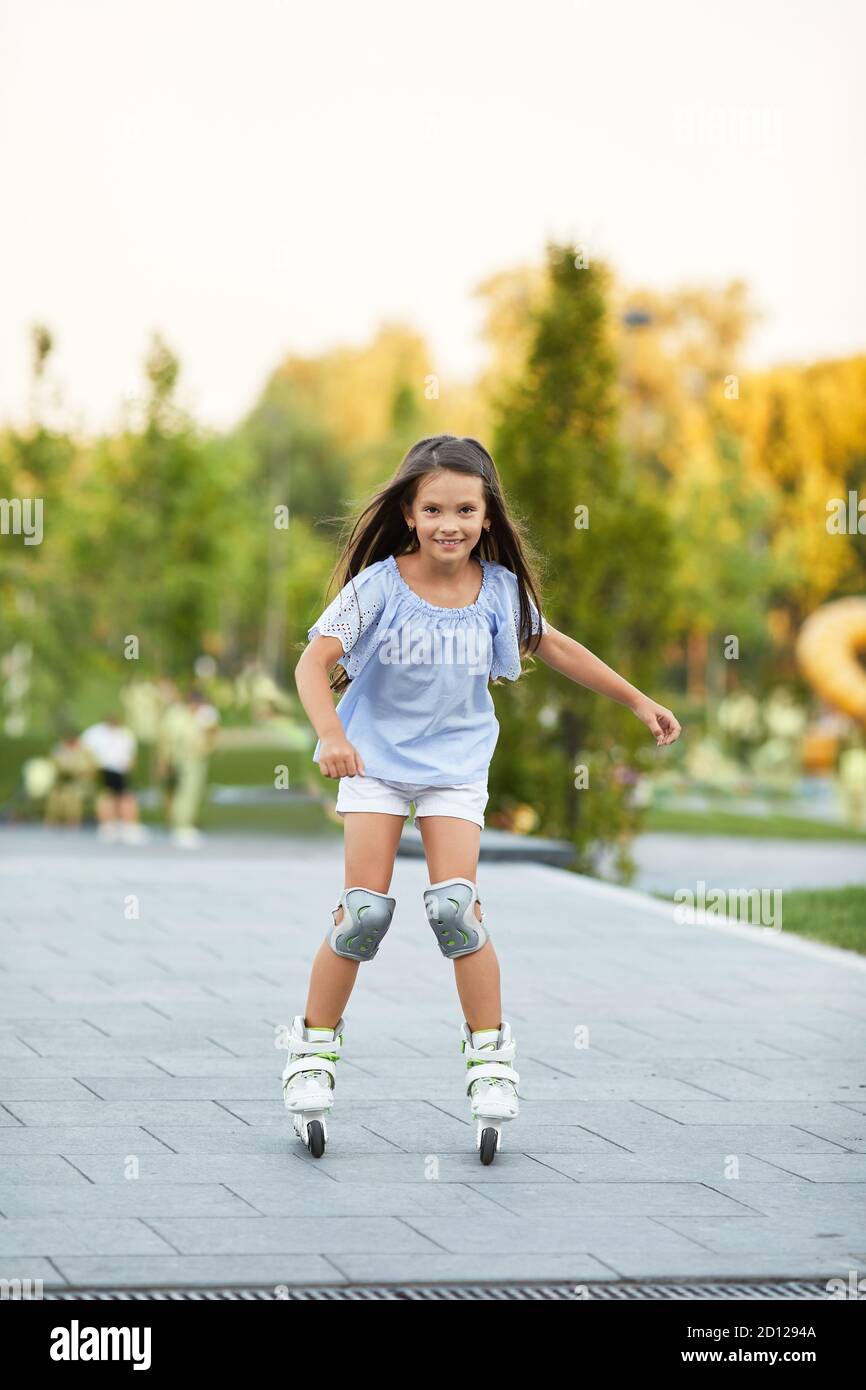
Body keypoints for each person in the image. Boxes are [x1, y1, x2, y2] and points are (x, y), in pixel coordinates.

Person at [279, 435, 682, 1162]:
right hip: (373, 761)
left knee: (454, 910)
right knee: (363, 914)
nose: (449, 524)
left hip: (453, 769)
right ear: (409, 511)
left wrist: (636, 700)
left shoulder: (499, 591)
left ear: (488, 515)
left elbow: (555, 646)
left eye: (465, 509)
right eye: (433, 508)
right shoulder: (377, 584)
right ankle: (311, 1051)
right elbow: (313, 663)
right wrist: (331, 733)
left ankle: (491, 1061)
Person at [155, 688, 220, 847]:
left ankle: (185, 825)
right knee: (185, 793)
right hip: (183, 759)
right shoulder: (176, 716)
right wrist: (163, 761)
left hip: (196, 758)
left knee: (191, 793)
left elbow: (211, 735)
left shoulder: (199, 716)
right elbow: (166, 739)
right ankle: (181, 827)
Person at [80, 713, 147, 844]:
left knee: (123, 796)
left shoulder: (125, 733)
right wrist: (91, 764)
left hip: (120, 769)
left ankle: (125, 824)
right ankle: (108, 824)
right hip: (104, 768)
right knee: (110, 795)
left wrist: (129, 765)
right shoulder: (96, 732)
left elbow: (130, 754)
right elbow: (84, 748)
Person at [44, 730, 95, 827]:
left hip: (80, 782)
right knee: (56, 794)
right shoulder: (59, 751)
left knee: (71, 795)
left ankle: (72, 821)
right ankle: (53, 820)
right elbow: (53, 766)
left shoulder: (85, 752)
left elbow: (91, 770)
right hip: (62, 782)